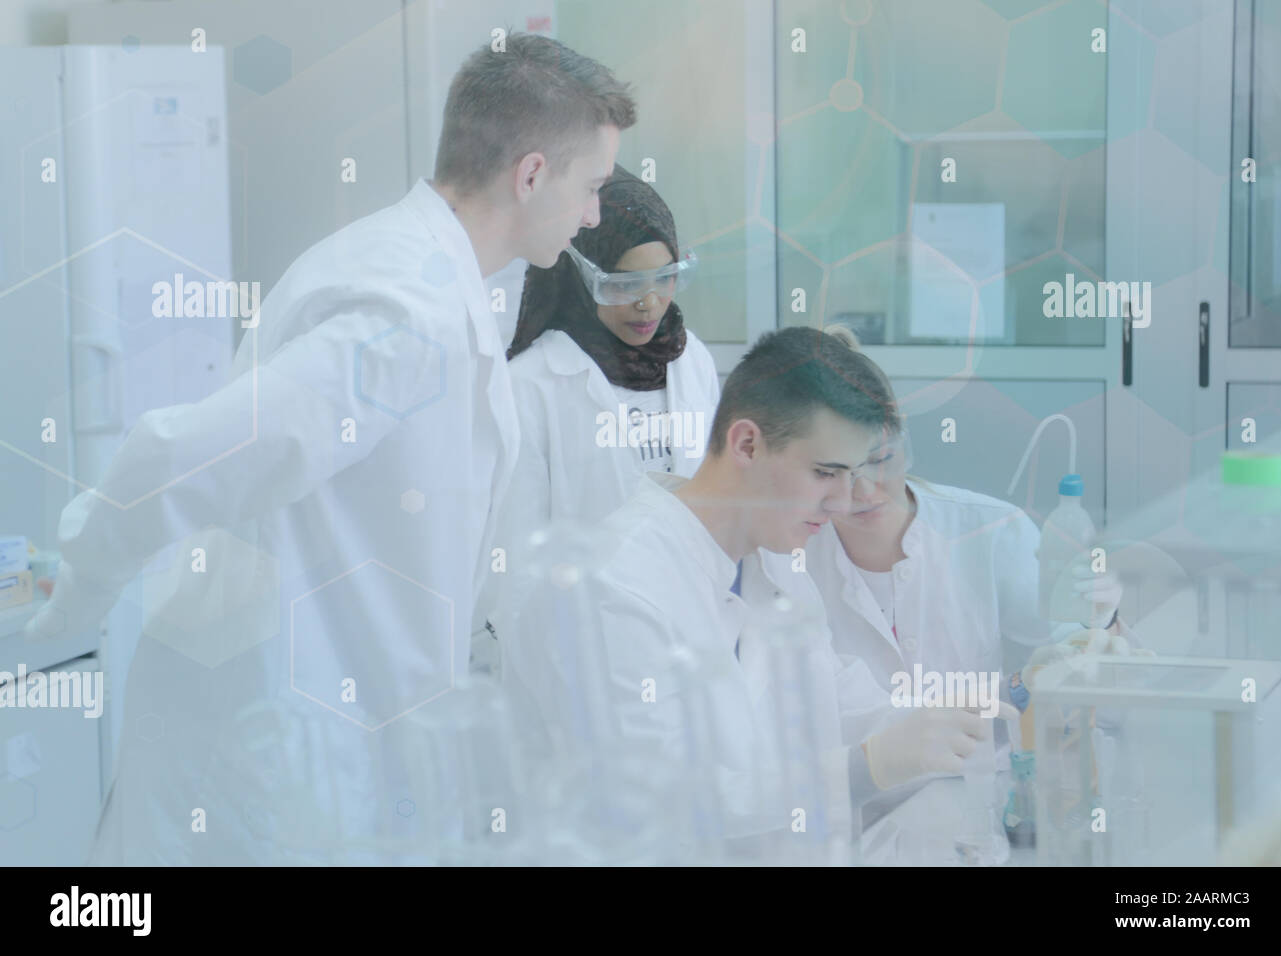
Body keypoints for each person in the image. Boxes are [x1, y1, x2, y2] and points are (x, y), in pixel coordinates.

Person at [26, 32, 635, 864]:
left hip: (340, 740)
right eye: (593, 186)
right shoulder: (403, 311)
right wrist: (82, 583)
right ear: (531, 175)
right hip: (272, 760)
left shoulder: (450, 283)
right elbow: (187, 455)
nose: (596, 214)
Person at [500, 327, 997, 859]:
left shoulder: (775, 565)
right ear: (746, 444)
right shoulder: (614, 586)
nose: (843, 502)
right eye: (825, 473)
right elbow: (664, 804)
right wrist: (865, 765)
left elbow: (842, 699)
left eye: (852, 474)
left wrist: (967, 718)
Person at [769, 324, 1131, 761]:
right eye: (835, 471)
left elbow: (1096, 692)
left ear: (904, 439)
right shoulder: (783, 558)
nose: (864, 491)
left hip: (979, 805)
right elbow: (821, 722)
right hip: (857, 808)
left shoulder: (992, 532)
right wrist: (1014, 690)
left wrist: (1100, 623)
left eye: (882, 459)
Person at [476, 166, 717, 663]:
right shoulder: (534, 384)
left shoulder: (692, 360)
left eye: (665, 279)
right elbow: (516, 560)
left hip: (689, 631)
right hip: (583, 649)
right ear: (582, 273)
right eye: (624, 285)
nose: (649, 303)